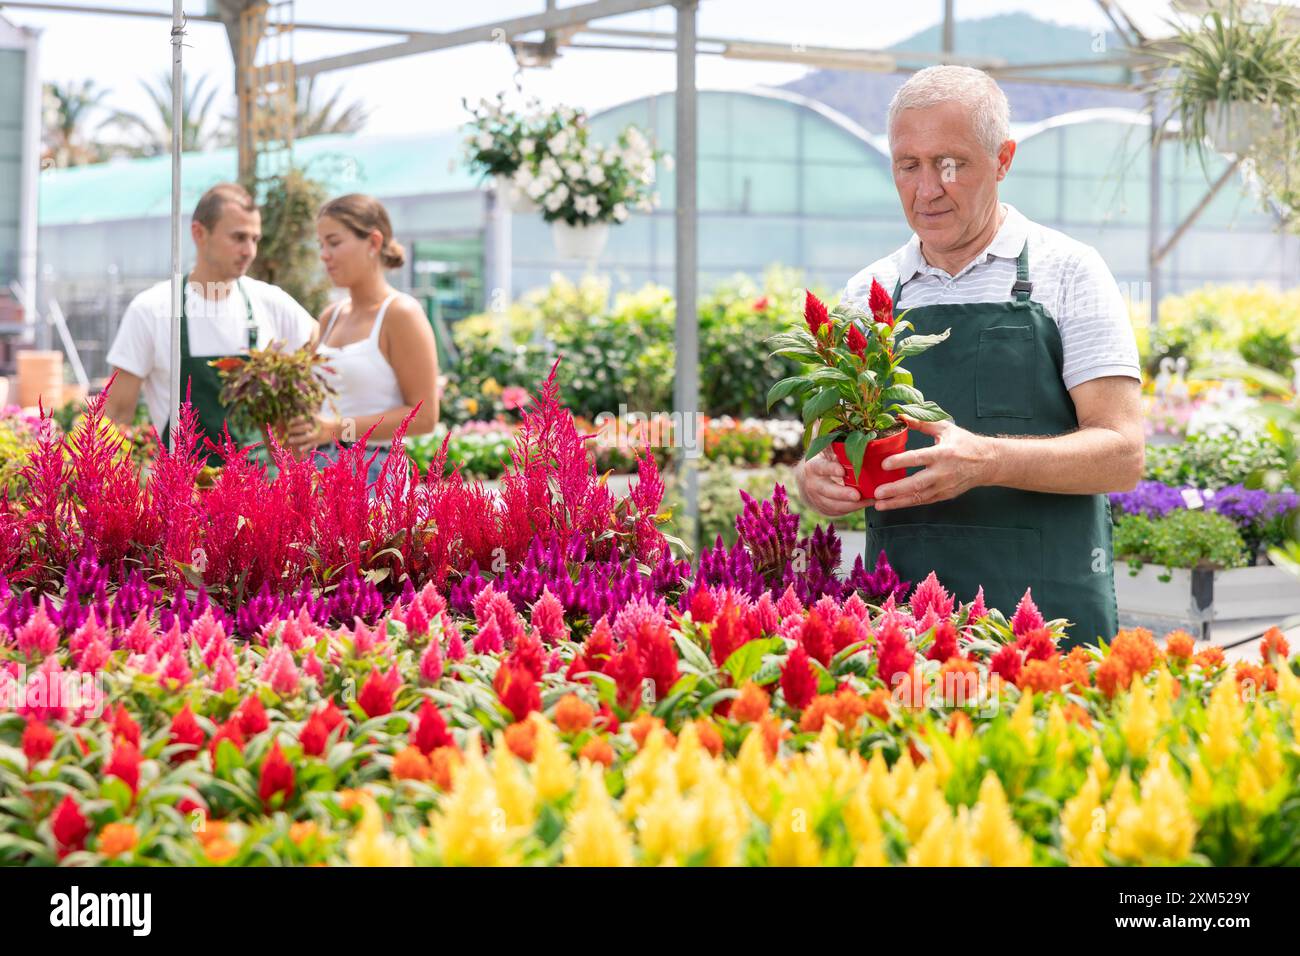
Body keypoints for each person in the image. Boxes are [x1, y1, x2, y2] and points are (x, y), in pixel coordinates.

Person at [796, 65, 1144, 648]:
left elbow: (1122, 454)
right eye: (909, 165)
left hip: (1045, 615)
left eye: (950, 164)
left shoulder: (1069, 272)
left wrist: (986, 460)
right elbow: (839, 445)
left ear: (1003, 159)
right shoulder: (867, 292)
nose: (927, 188)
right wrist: (816, 480)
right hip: (903, 621)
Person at [105, 183, 317, 463]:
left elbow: (325, 345)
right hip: (185, 494)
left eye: (255, 239)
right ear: (199, 234)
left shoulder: (271, 303)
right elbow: (117, 414)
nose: (249, 251)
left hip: (262, 493)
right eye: (239, 238)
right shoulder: (152, 309)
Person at [286, 194, 438, 482]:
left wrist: (335, 429)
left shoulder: (401, 314)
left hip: (374, 474)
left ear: (374, 242)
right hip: (321, 469)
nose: (324, 254)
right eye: (321, 245)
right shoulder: (330, 317)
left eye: (334, 242)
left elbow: (424, 417)